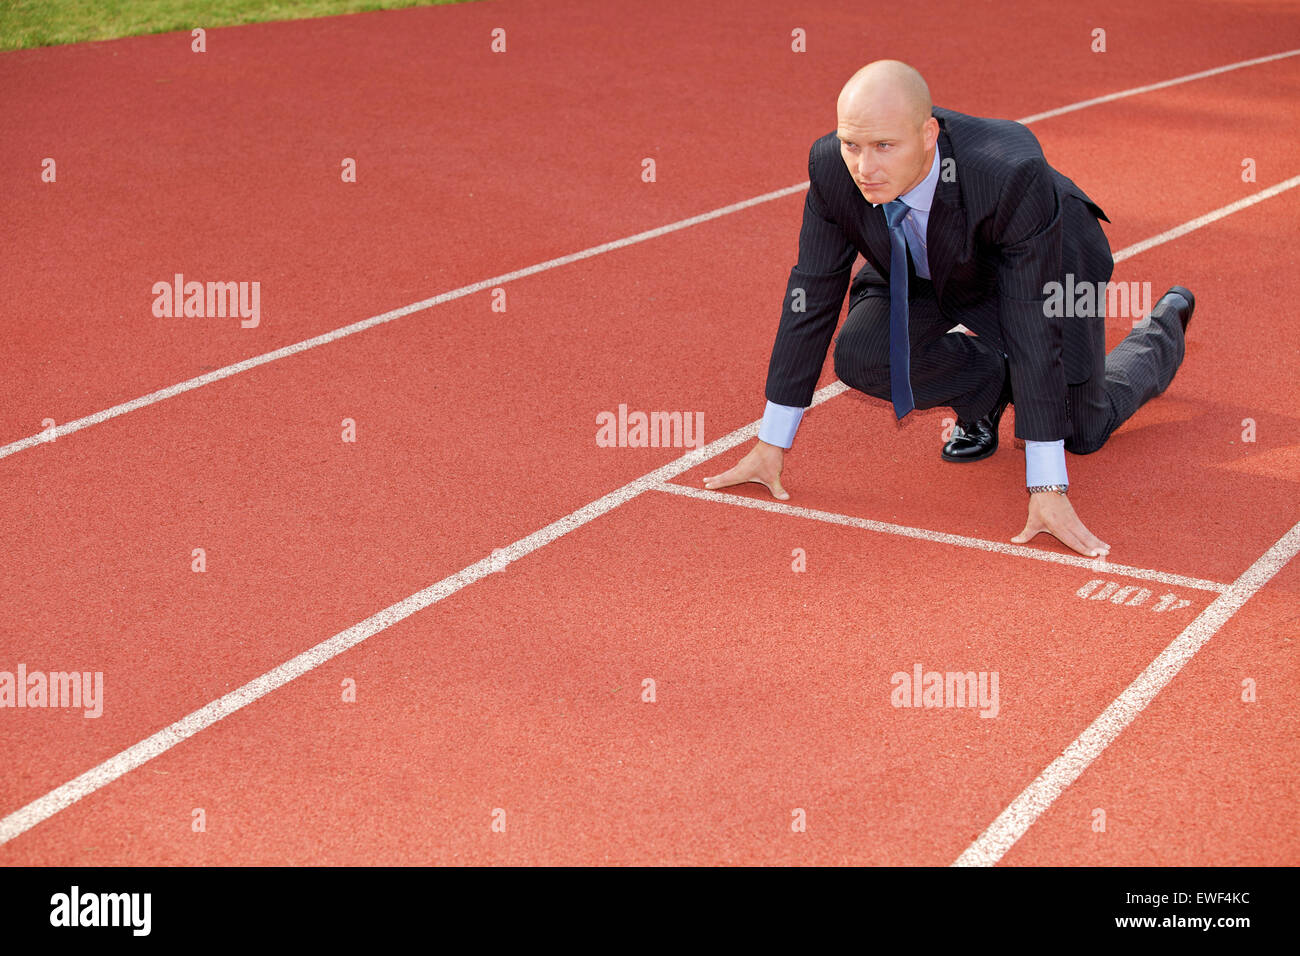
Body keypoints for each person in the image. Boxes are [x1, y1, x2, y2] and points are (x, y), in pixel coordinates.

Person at [704, 60, 1193, 558]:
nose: (864, 167)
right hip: (922, 266)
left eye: (884, 147)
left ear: (928, 134)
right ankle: (986, 385)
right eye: (853, 145)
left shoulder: (1009, 172)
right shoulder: (832, 167)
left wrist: (1047, 488)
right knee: (865, 354)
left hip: (1044, 265)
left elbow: (1032, 322)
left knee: (1083, 432)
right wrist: (772, 443)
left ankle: (1161, 331)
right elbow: (812, 291)